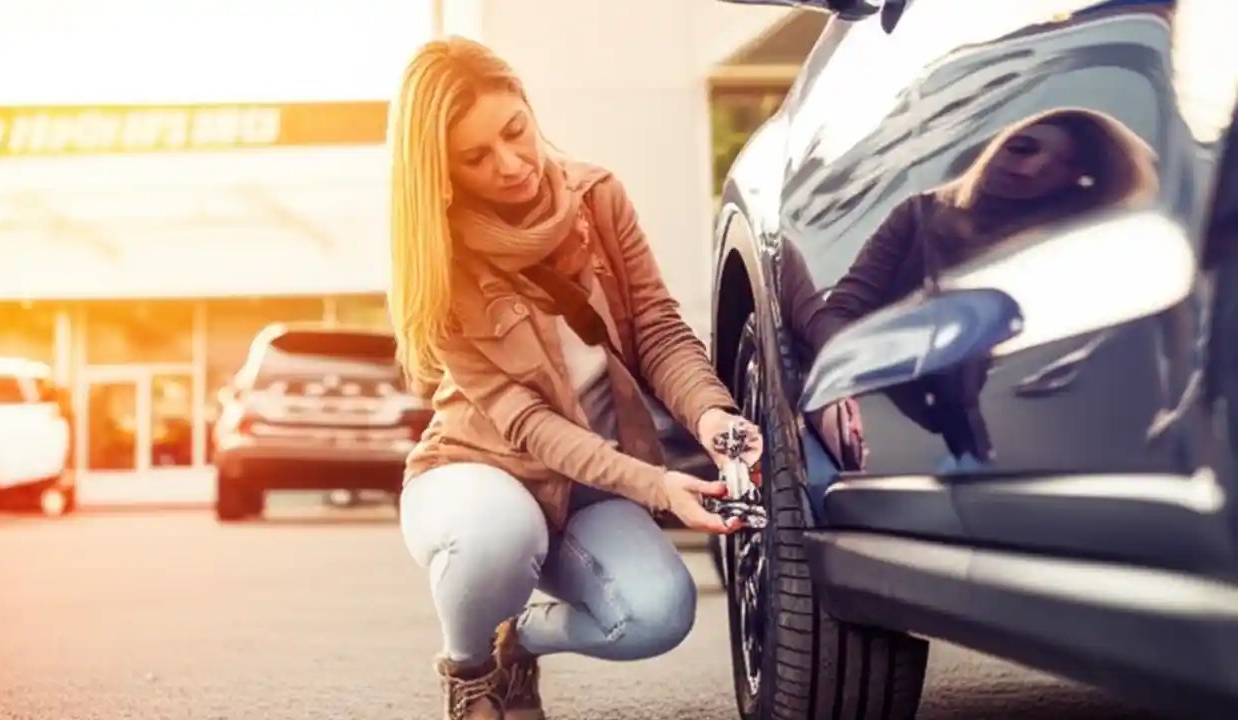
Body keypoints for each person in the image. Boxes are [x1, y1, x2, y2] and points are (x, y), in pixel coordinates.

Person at [388, 37, 763, 720]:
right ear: (441, 172)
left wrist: (713, 415)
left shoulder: (597, 198)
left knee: (659, 614)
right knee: (494, 538)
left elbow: (656, 331)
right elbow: (526, 423)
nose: (510, 164)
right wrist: (653, 484)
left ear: (529, 109)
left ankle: (516, 644)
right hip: (481, 471)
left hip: (593, 483)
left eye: (515, 131)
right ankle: (469, 669)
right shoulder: (439, 261)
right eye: (475, 158)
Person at [805, 107, 1159, 466]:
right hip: (892, 434)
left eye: (1068, 165)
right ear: (998, 140)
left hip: (1024, 442)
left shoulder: (1074, 245)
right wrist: (844, 384)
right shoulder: (919, 215)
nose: (1032, 169)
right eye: (1022, 148)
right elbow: (842, 311)